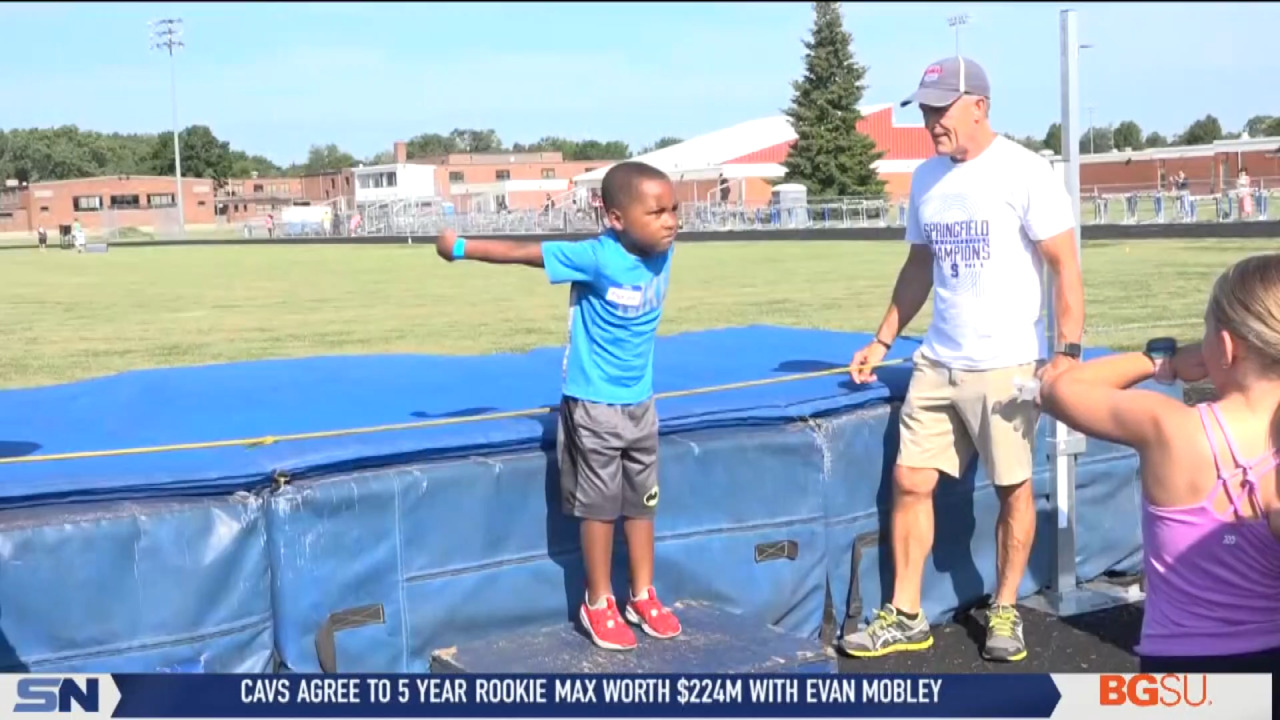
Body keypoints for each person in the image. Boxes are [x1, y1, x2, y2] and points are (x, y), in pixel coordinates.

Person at [840, 56, 1084, 663]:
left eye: (941, 108)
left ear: (980, 105)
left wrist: (1067, 354)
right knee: (908, 481)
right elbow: (919, 265)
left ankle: (1004, 609)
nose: (930, 121)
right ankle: (905, 614)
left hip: (1006, 367)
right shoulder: (926, 179)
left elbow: (1065, 266)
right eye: (924, 109)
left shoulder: (1026, 172)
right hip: (937, 361)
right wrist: (883, 339)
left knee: (1013, 490)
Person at [433, 161, 683, 651]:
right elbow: (522, 253)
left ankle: (643, 594)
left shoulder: (662, 251)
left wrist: (655, 222)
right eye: (656, 212)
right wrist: (458, 248)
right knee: (599, 507)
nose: (671, 221)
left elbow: (655, 230)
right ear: (615, 218)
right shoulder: (594, 256)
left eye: (674, 209)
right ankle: (598, 601)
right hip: (594, 407)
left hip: (640, 404)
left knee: (643, 503)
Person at [1040, 254, 1280, 672]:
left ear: (1224, 347)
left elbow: (1059, 388)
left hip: (1182, 673)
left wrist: (1161, 363)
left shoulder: (1169, 428)